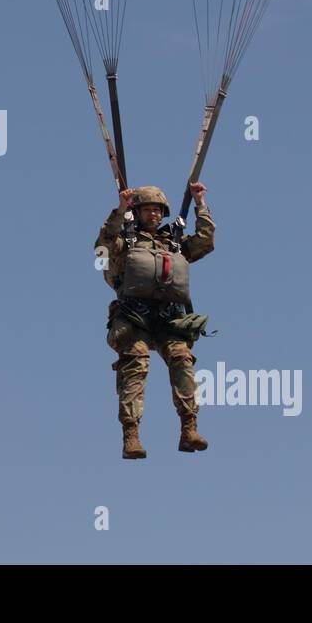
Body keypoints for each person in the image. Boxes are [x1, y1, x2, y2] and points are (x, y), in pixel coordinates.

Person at [94, 183, 215, 459]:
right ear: (137, 213)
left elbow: (206, 241)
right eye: (147, 210)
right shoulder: (125, 242)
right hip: (134, 316)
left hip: (168, 317)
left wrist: (200, 203)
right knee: (135, 364)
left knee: (182, 359)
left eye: (157, 211)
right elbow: (103, 243)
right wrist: (120, 209)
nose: (153, 215)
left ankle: (189, 429)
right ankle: (131, 434)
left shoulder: (173, 243)